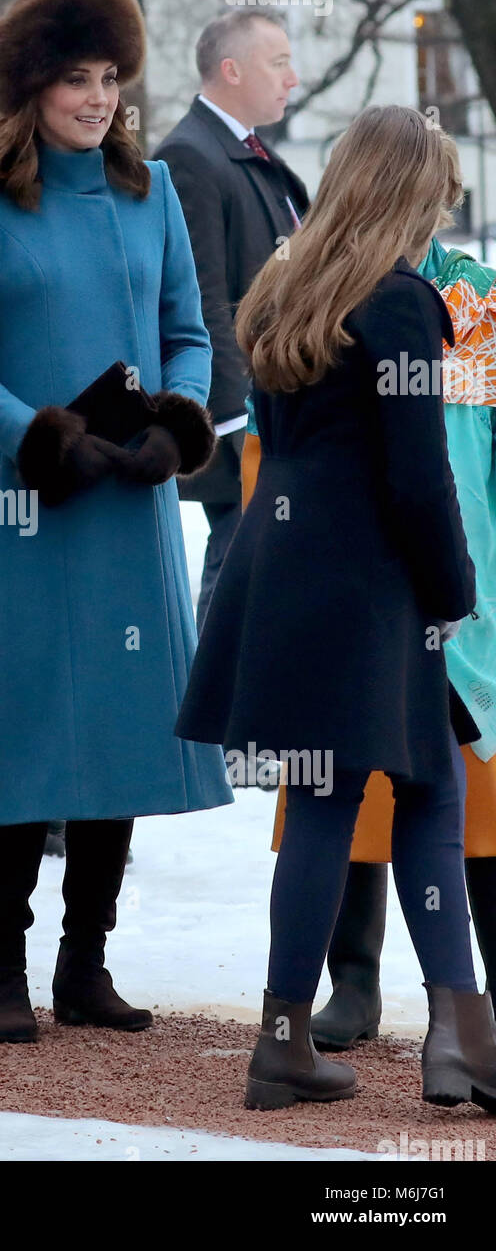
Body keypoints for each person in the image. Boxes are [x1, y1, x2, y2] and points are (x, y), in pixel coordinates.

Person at [0, 0, 232, 1045]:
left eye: (109, 79)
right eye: (75, 79)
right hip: (35, 500)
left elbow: (189, 332)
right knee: (28, 724)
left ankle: (83, 961)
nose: (98, 98)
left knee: (120, 718)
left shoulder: (151, 192)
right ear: (30, 90)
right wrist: (40, 434)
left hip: (131, 503)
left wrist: (175, 424)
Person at [177, 105, 496, 1114]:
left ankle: (286, 1045)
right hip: (372, 586)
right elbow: (417, 477)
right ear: (410, 193)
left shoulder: (285, 290)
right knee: (430, 794)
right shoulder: (400, 303)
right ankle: (462, 1042)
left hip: (285, 572)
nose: (444, 211)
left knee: (326, 799)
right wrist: (454, 591)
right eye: (439, 193)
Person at [243, 233, 496, 1049]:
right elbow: (273, 444)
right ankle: (385, 998)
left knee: (445, 799)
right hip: (396, 585)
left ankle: (293, 1042)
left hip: (434, 578)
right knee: (398, 796)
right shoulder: (355, 292)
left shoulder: (476, 298)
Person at [154, 11, 307, 628]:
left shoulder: (246, 151)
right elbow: (200, 299)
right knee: (238, 560)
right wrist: (233, 417)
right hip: (244, 413)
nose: (293, 79)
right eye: (279, 63)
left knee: (260, 562)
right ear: (232, 70)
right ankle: (212, 689)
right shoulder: (190, 157)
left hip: (276, 403)